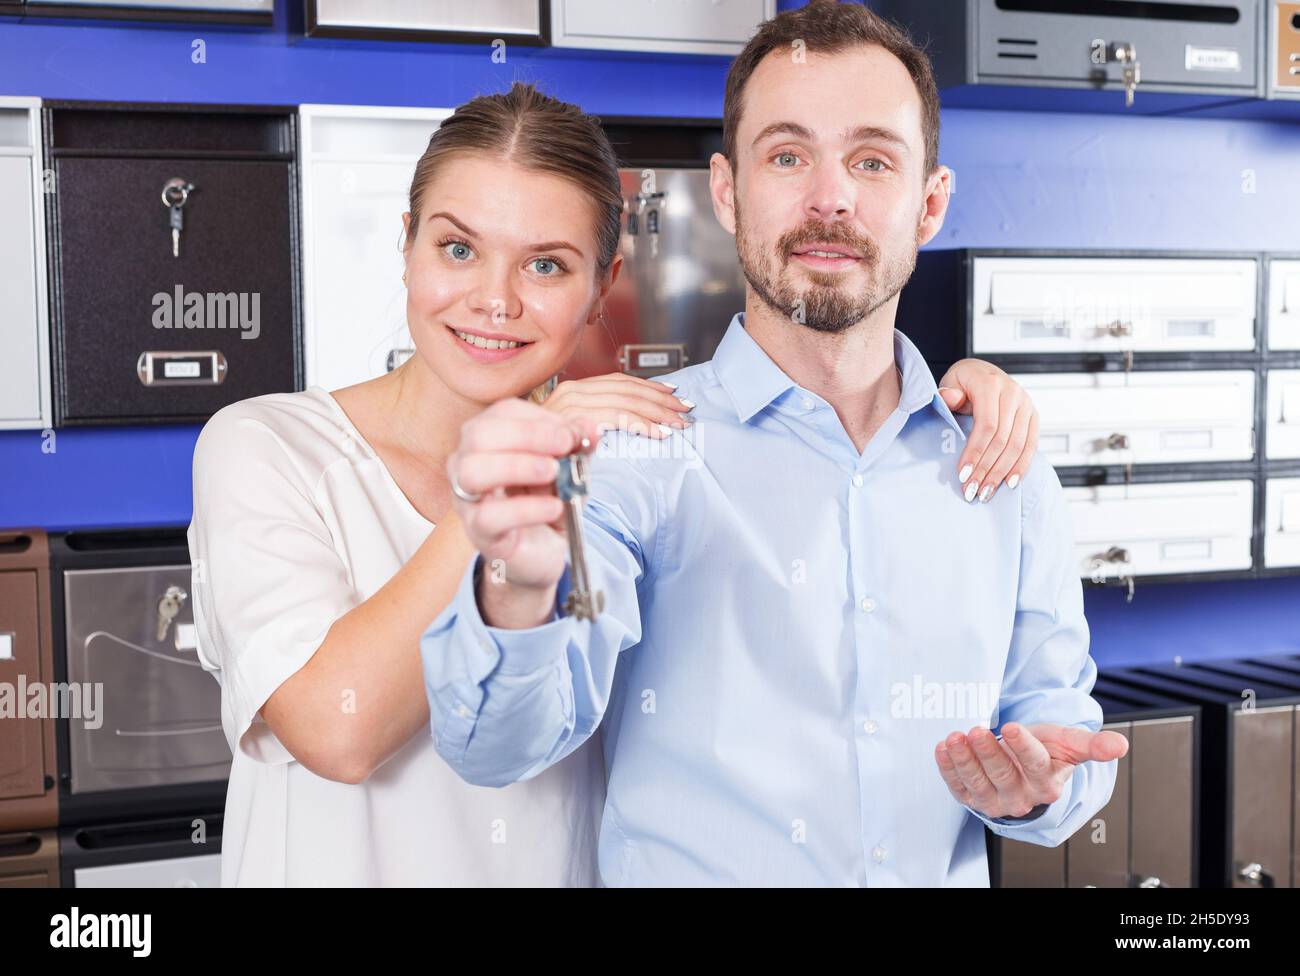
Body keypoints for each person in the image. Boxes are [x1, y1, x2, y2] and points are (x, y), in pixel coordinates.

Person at [189, 80, 1037, 886]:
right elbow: (336, 730)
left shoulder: (625, 462)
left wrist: (932, 397)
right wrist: (518, 468)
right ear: (407, 245)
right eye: (457, 247)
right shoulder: (269, 447)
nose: (494, 300)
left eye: (547, 266)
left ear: (602, 290)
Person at [421, 1, 1127, 887]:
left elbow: (1065, 728)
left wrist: (1042, 786)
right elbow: (497, 746)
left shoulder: (1003, 468)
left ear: (930, 203)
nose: (830, 197)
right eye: (788, 156)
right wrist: (516, 592)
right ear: (727, 191)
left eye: (872, 160)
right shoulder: (629, 451)